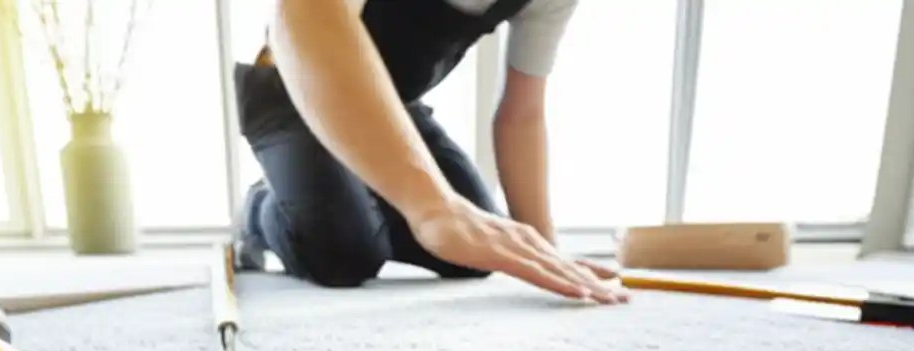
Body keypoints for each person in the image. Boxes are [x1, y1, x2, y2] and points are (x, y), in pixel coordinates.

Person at [230, 0, 630, 304]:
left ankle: (346, 198)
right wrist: (432, 208)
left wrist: (544, 249)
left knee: (476, 254)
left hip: (392, 107)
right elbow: (304, 10)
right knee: (343, 253)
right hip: (289, 94)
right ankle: (259, 210)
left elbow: (522, 116)